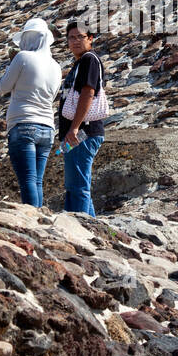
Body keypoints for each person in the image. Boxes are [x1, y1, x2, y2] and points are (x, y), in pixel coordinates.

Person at [0, 17, 62, 207]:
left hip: (23, 123)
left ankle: (32, 219)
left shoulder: (23, 57)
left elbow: (3, 86)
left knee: (27, 181)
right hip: (47, 127)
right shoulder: (56, 66)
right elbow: (52, 96)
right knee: (37, 181)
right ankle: (39, 220)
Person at [59, 22, 108, 216]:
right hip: (75, 134)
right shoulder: (80, 63)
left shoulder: (89, 60)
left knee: (78, 186)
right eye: (71, 37)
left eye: (80, 36)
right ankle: (91, 229)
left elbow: (88, 93)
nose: (76, 41)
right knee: (74, 186)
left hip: (82, 132)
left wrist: (74, 128)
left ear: (90, 39)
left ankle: (84, 231)